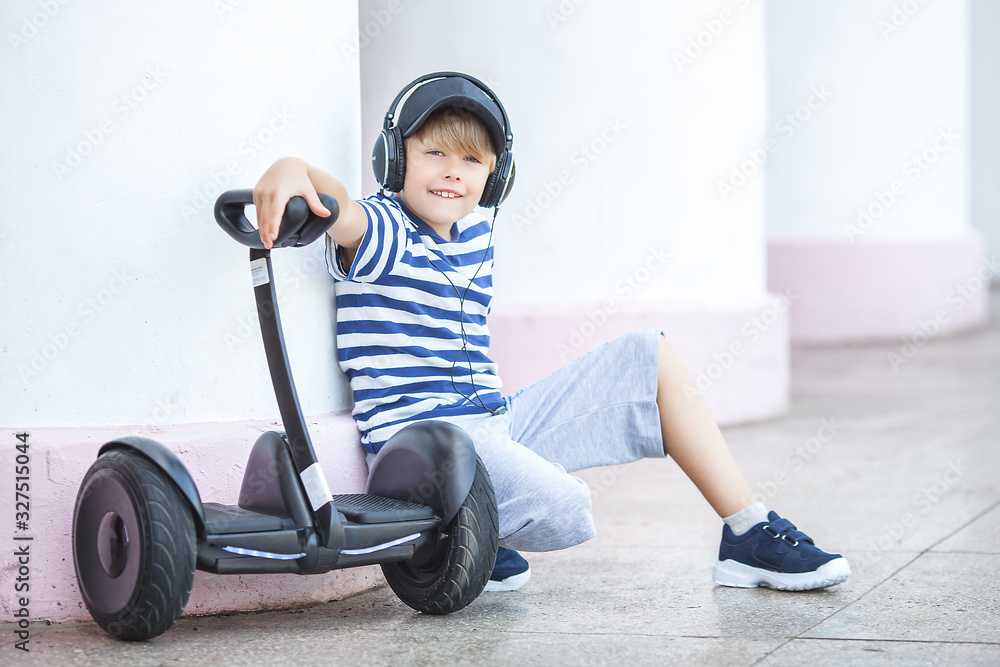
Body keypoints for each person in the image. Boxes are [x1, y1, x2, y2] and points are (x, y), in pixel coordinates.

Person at [252, 72, 850, 593]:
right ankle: (470, 528)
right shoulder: (385, 227)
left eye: (471, 161)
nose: (451, 173)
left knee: (652, 357)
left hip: (495, 422)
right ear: (396, 161)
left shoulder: (477, 234)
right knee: (567, 508)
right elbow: (341, 212)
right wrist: (295, 169)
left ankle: (748, 530)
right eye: (434, 154)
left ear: (495, 176)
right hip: (425, 449)